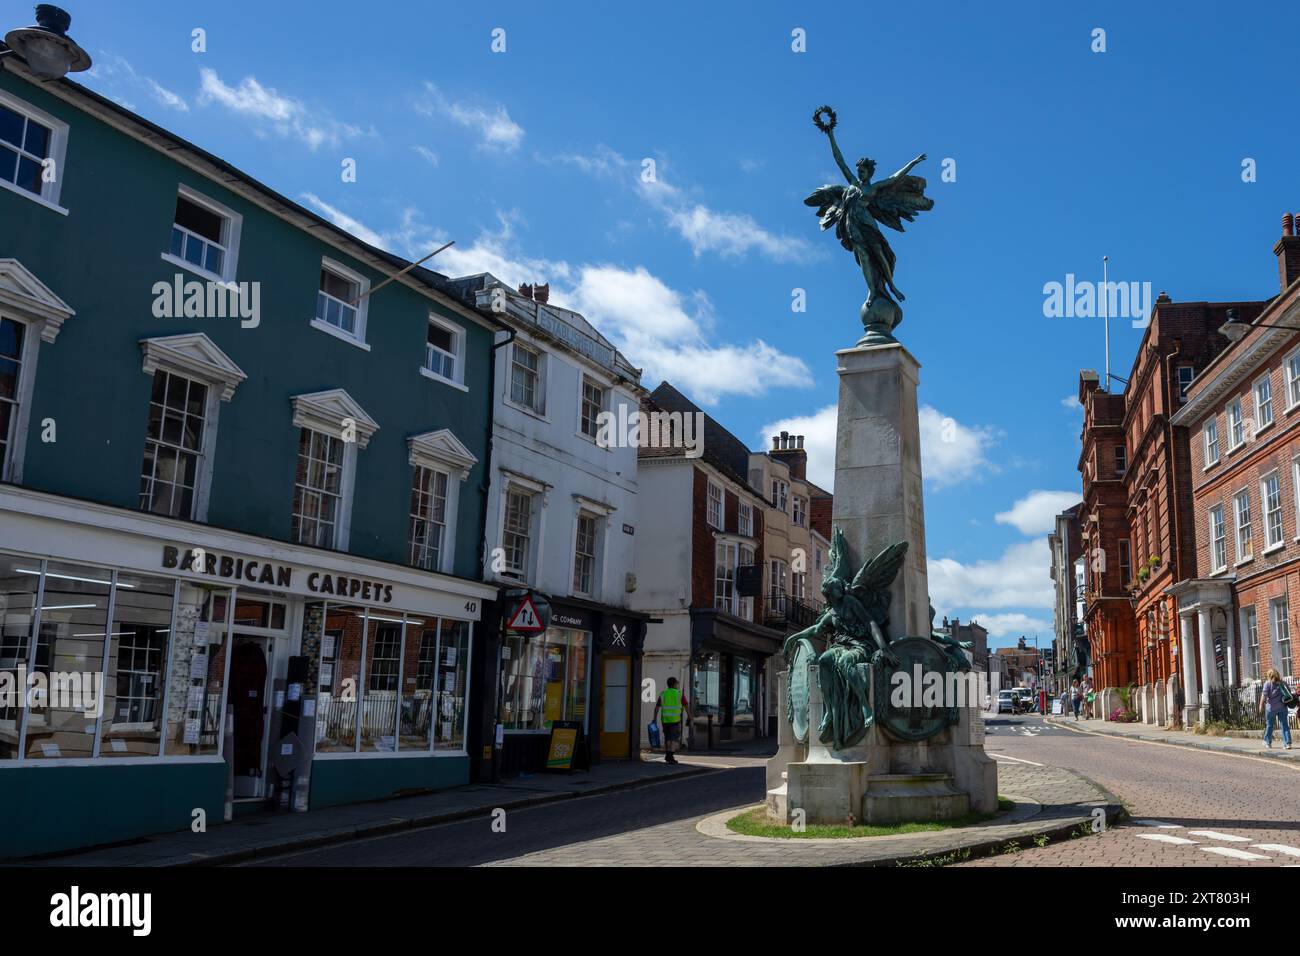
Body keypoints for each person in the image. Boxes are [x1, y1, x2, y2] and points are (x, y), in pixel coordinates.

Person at [653, 677, 689, 764]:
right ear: (674, 684)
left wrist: (654, 719)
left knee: (668, 738)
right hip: (675, 720)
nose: (677, 685)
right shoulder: (680, 694)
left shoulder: (663, 694)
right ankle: (670, 756)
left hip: (665, 720)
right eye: (676, 683)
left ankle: (668, 756)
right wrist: (689, 716)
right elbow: (686, 706)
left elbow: (657, 707)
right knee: (674, 739)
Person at [1260, 668, 1293, 750]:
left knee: (1269, 725)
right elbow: (1289, 693)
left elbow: (1264, 695)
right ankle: (1287, 743)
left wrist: (1260, 705)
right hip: (1282, 707)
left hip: (1271, 708)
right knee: (1284, 725)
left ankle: (1268, 742)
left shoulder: (1267, 684)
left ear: (1269, 675)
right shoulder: (1283, 683)